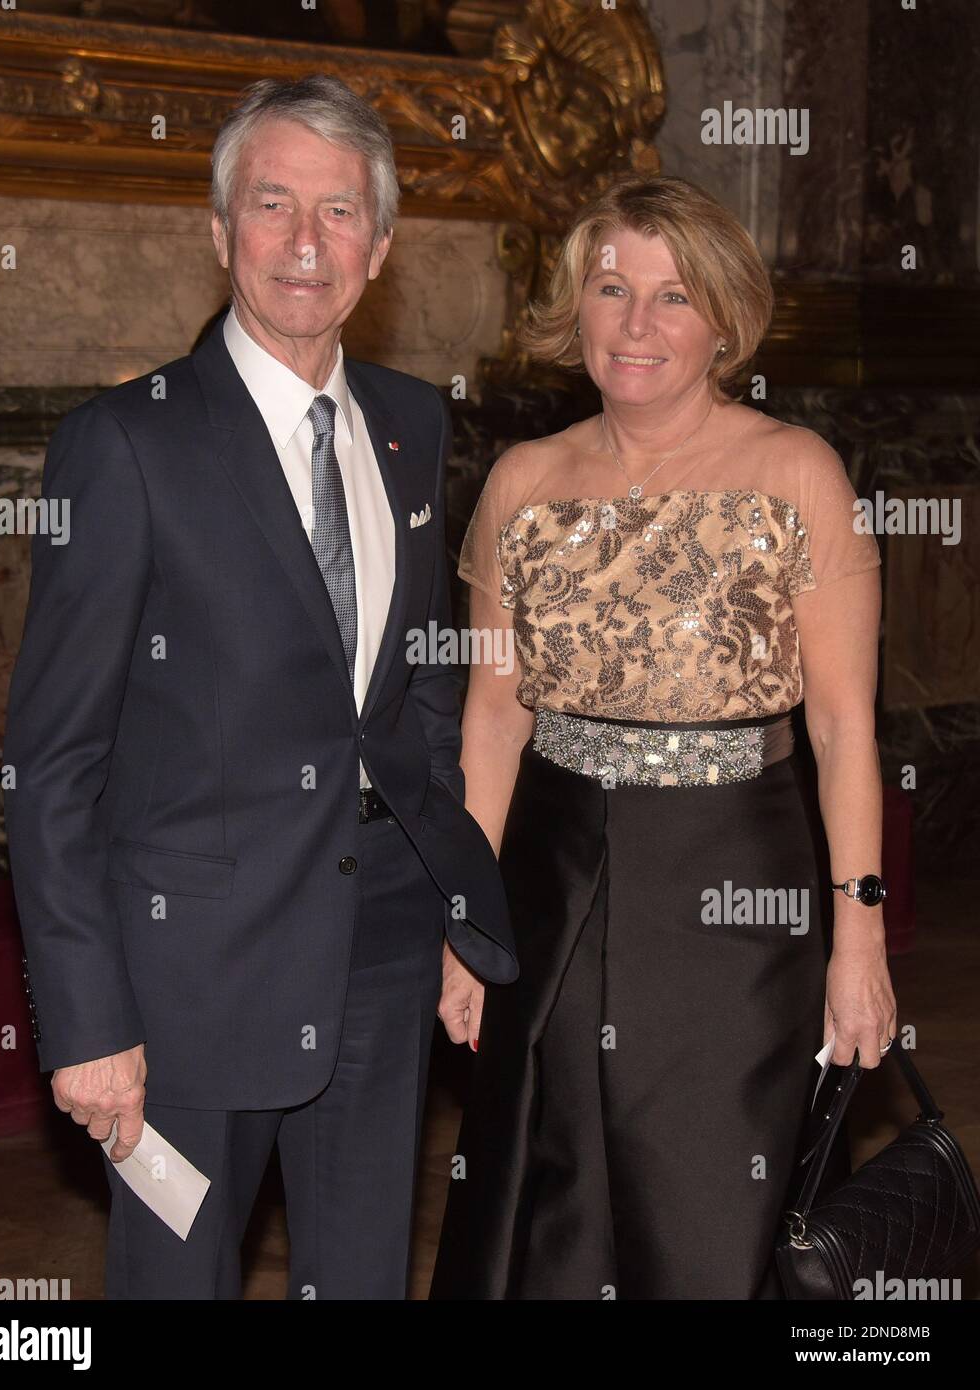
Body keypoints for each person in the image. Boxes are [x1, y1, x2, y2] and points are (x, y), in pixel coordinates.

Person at [3, 75, 515, 1301]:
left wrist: (458, 904)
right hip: (187, 984)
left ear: (379, 246)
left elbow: (419, 694)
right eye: (271, 204)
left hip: (379, 961)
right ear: (219, 228)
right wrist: (84, 1021)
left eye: (338, 212)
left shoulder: (410, 425)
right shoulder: (126, 442)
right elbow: (54, 763)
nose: (303, 242)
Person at [430, 174, 895, 1300]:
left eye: (672, 296)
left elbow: (839, 726)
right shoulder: (522, 481)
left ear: (722, 320)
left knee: (706, 1205)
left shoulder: (794, 473)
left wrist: (858, 938)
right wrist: (463, 924)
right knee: (552, 1199)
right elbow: (493, 716)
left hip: (734, 895)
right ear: (573, 308)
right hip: (548, 888)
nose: (636, 325)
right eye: (610, 289)